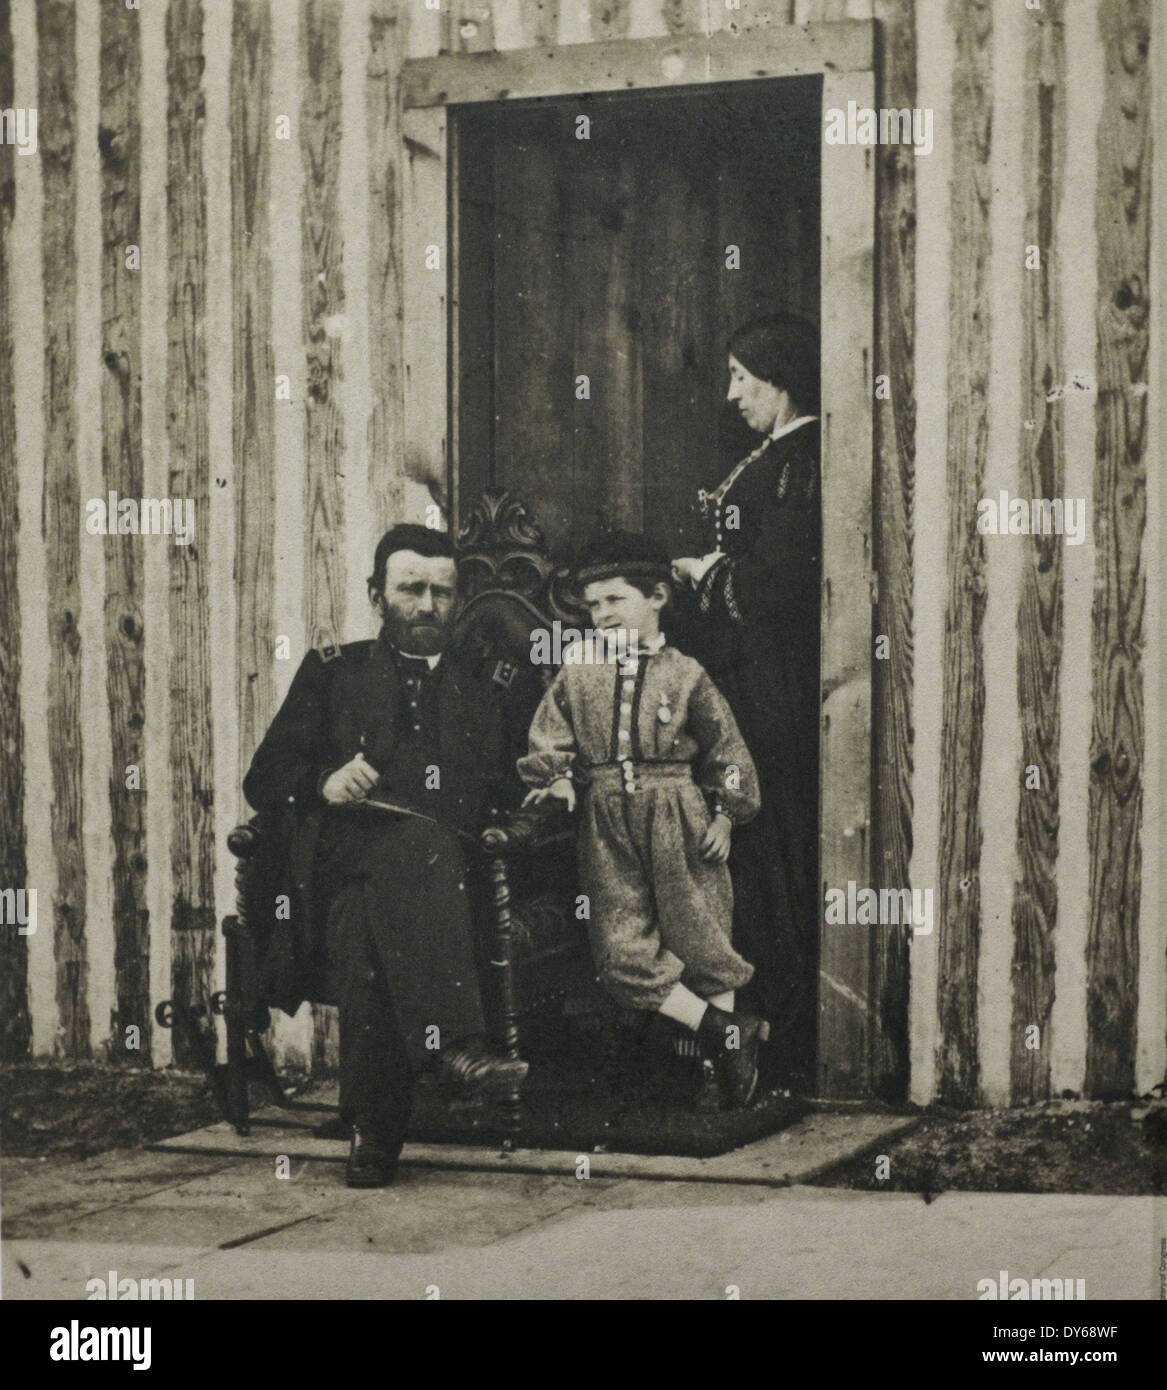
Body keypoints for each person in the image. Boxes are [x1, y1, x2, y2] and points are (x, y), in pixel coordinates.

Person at [242, 524, 535, 1188]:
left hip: (435, 876)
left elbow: (514, 784)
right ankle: (458, 1045)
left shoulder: (489, 686)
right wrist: (322, 781)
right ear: (377, 595)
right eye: (410, 589)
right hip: (339, 852)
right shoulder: (331, 672)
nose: (428, 605)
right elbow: (264, 778)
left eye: (442, 591)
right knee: (403, 853)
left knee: (363, 930)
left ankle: (374, 1134)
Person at [517, 532, 769, 1107]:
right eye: (594, 604)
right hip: (605, 823)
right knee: (622, 955)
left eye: (615, 600)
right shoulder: (578, 671)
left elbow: (727, 752)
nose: (601, 614)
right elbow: (550, 735)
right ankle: (728, 1035)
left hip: (678, 814)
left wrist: (726, 815)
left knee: (703, 939)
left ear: (656, 598)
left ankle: (720, 1069)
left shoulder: (687, 674)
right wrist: (556, 776)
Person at [671, 313, 821, 1092]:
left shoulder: (802, 456)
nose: (730, 395)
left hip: (771, 686)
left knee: (767, 845)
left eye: (740, 377)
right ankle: (746, 1021)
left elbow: (781, 583)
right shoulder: (771, 454)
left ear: (778, 378)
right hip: (740, 679)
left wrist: (706, 576)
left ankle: (785, 1030)